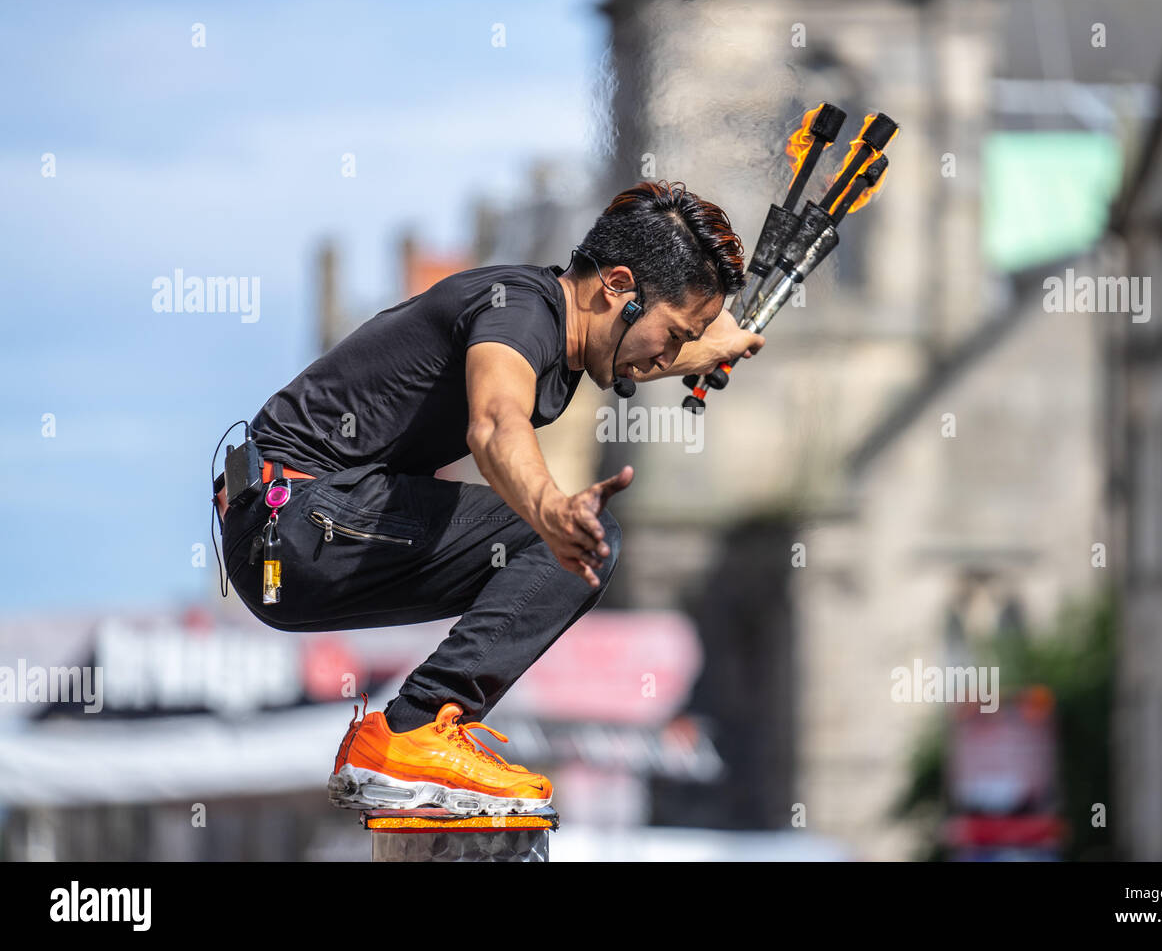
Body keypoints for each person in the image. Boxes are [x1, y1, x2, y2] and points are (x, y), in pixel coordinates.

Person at [212, 179, 764, 815]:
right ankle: (413, 731)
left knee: (563, 548)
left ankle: (408, 742)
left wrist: (720, 341)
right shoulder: (519, 312)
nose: (668, 356)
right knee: (582, 543)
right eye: (673, 333)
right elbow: (496, 423)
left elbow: (652, 352)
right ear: (617, 286)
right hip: (300, 517)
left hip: (290, 534)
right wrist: (549, 509)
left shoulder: (563, 326)